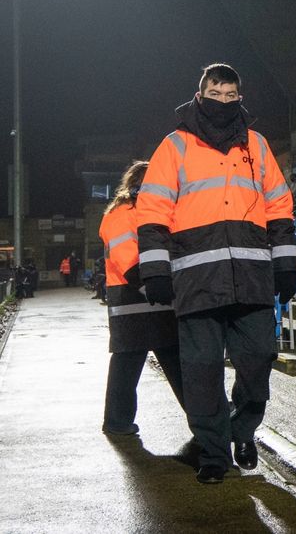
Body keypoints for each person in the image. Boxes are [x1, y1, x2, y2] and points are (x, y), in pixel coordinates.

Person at [137, 63, 296, 484]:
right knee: (201, 370)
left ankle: (241, 430)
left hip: (252, 276)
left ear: (239, 98)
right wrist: (155, 269)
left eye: (231, 96)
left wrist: (285, 261)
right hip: (195, 279)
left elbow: (280, 206)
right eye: (216, 93)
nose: (223, 102)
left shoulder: (258, 145)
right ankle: (213, 453)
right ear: (200, 93)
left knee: (258, 359)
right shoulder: (174, 145)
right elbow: (153, 210)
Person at [99, 161, 185, 437]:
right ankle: (117, 422)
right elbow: (128, 259)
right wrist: (157, 285)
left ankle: (118, 421)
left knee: (140, 362)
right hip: (136, 297)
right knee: (158, 360)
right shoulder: (124, 214)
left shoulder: (134, 211)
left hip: (139, 300)